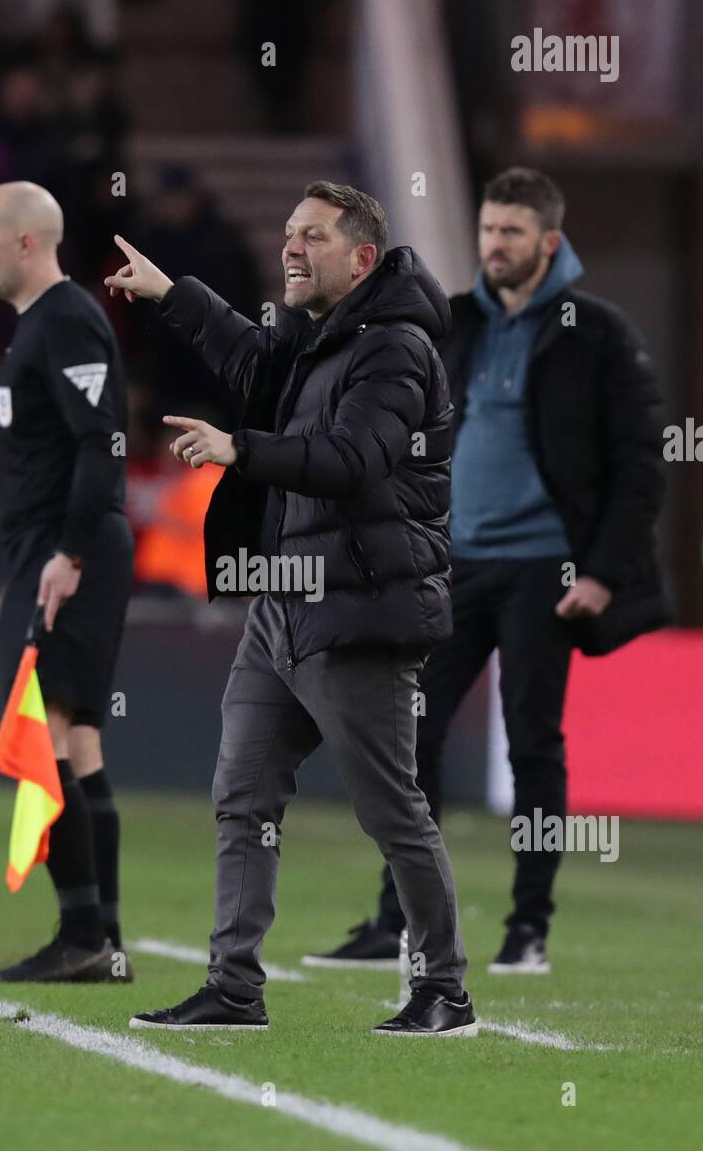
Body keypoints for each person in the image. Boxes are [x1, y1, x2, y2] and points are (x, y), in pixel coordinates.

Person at [106, 181, 476, 1037]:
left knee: (390, 808)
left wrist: (243, 448)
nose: (291, 248)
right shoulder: (320, 336)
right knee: (243, 794)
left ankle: (445, 989)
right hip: (285, 606)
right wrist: (174, 297)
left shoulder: (397, 350)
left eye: (312, 235)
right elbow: (249, 357)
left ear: (362, 258)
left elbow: (356, 457)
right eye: (287, 233)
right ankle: (234, 986)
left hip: (361, 611)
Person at [309, 167, 667, 975]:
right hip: (455, 562)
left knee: (531, 743)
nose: (493, 246)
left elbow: (642, 464)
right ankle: (397, 919)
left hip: (548, 564)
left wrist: (605, 570)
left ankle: (526, 929)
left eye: (510, 232)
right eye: (486, 230)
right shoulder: (456, 323)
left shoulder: (597, 333)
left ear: (548, 241)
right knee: (411, 737)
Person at [0, 180, 134, 983]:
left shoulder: (65, 320)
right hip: (56, 545)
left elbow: (100, 443)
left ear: (25, 242)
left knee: (53, 733)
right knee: (82, 743)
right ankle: (103, 937)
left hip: (67, 550)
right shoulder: (41, 326)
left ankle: (83, 939)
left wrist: (67, 554)